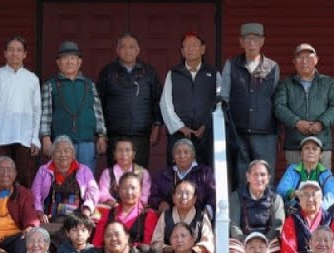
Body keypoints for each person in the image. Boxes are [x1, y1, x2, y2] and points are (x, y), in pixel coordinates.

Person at [220, 22, 281, 180]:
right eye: (247, 39)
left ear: (262, 41)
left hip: (266, 133)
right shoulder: (231, 65)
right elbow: (224, 97)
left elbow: (276, 100)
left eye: (255, 38)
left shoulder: (273, 67)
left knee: (265, 178)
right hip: (238, 133)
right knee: (241, 178)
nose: (251, 43)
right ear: (241, 42)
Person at [0, 36, 42, 182]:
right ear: (5, 53)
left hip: (23, 136)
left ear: (25, 54)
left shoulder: (32, 79)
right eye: (11, 50)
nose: (15, 54)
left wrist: (35, 137)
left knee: (22, 177)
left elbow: (37, 110)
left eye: (19, 50)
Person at [97, 32, 163, 169]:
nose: (127, 51)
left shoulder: (149, 72)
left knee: (138, 175)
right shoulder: (108, 72)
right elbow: (98, 104)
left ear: (138, 50)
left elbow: (157, 100)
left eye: (131, 47)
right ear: (117, 50)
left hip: (140, 135)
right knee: (116, 176)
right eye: (123, 47)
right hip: (115, 135)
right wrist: (100, 134)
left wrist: (157, 126)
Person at [40, 41, 107, 173]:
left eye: (73, 58)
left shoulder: (89, 85)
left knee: (85, 180)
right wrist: (45, 138)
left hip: (87, 143)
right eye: (65, 58)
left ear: (79, 62)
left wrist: (101, 136)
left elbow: (98, 113)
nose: (69, 62)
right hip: (61, 145)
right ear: (58, 62)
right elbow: (45, 116)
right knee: (62, 180)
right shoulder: (50, 85)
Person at [274, 43, 334, 167]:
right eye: (300, 57)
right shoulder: (285, 84)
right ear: (294, 61)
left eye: (308, 57)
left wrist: (321, 123)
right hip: (294, 144)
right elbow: (279, 107)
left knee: (322, 179)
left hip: (322, 144)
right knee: (295, 179)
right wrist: (297, 122)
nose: (304, 61)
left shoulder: (328, 83)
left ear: (316, 60)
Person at [160, 32, 218, 166]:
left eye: (194, 45)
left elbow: (219, 103)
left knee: (204, 171)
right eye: (186, 46)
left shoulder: (214, 74)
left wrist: (207, 125)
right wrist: (180, 126)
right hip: (179, 134)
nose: (190, 49)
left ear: (203, 49)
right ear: (182, 51)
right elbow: (165, 103)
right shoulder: (174, 73)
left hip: (204, 134)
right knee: (177, 170)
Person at [32, 136, 99, 231]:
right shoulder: (43, 171)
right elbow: (35, 193)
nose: (62, 154)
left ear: (73, 154)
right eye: (58, 151)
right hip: (50, 219)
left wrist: (86, 210)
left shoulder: (84, 170)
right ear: (52, 154)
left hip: (77, 219)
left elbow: (93, 192)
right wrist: (40, 212)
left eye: (66, 151)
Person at [228, 160, 284, 253]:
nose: (259, 179)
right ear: (248, 177)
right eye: (255, 174)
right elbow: (234, 226)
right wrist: (248, 243)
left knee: (280, 251)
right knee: (231, 251)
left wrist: (263, 243)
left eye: (262, 175)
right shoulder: (236, 196)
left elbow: (277, 226)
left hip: (268, 241)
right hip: (243, 241)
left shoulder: (276, 198)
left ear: (268, 178)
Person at [279, 180, 334, 253]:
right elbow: (289, 251)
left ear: (321, 199)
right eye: (306, 195)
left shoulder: (330, 220)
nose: (310, 199)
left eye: (314, 195)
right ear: (300, 199)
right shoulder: (292, 220)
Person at [149, 138, 217, 220]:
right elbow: (153, 196)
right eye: (178, 152)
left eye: (186, 152)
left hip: (198, 218)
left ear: (193, 156)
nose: (182, 156)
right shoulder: (163, 175)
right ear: (173, 157)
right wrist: (160, 203)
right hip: (170, 219)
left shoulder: (204, 172)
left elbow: (213, 194)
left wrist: (208, 209)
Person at [92, 171, 157, 252]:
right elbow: (97, 243)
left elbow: (147, 245)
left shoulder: (147, 214)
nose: (129, 192)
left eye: (133, 188)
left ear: (140, 190)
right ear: (118, 190)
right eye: (124, 188)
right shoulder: (108, 214)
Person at [149, 181, 216, 253]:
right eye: (179, 193)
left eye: (188, 193)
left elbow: (208, 243)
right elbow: (156, 242)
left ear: (194, 199)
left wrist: (190, 251)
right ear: (173, 198)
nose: (184, 197)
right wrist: (172, 250)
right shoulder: (166, 215)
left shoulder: (201, 217)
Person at [274, 136, 334, 210]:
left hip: (319, 210)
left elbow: (331, 197)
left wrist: (317, 210)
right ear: (301, 153)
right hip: (295, 209)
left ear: (320, 154)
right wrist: (295, 193)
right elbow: (280, 190)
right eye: (307, 148)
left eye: (314, 149)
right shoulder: (292, 170)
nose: (311, 151)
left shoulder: (326, 173)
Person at [95, 137, 149, 215]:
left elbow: (145, 195)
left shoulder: (143, 173)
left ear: (133, 154)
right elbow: (103, 194)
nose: (124, 154)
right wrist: (114, 204)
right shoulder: (107, 173)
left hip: (137, 211)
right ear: (114, 154)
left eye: (127, 150)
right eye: (120, 150)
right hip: (113, 210)